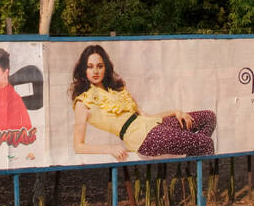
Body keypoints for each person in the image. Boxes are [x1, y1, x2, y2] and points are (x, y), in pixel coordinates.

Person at [69, 44, 215, 162]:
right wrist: (110, 148)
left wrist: (175, 111)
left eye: (99, 66)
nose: (95, 71)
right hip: (144, 139)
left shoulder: (118, 91)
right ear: (84, 70)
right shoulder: (83, 102)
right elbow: (78, 146)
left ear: (106, 68)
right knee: (205, 143)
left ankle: (191, 164)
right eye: (90, 66)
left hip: (155, 124)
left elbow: (145, 116)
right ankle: (205, 189)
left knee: (209, 117)